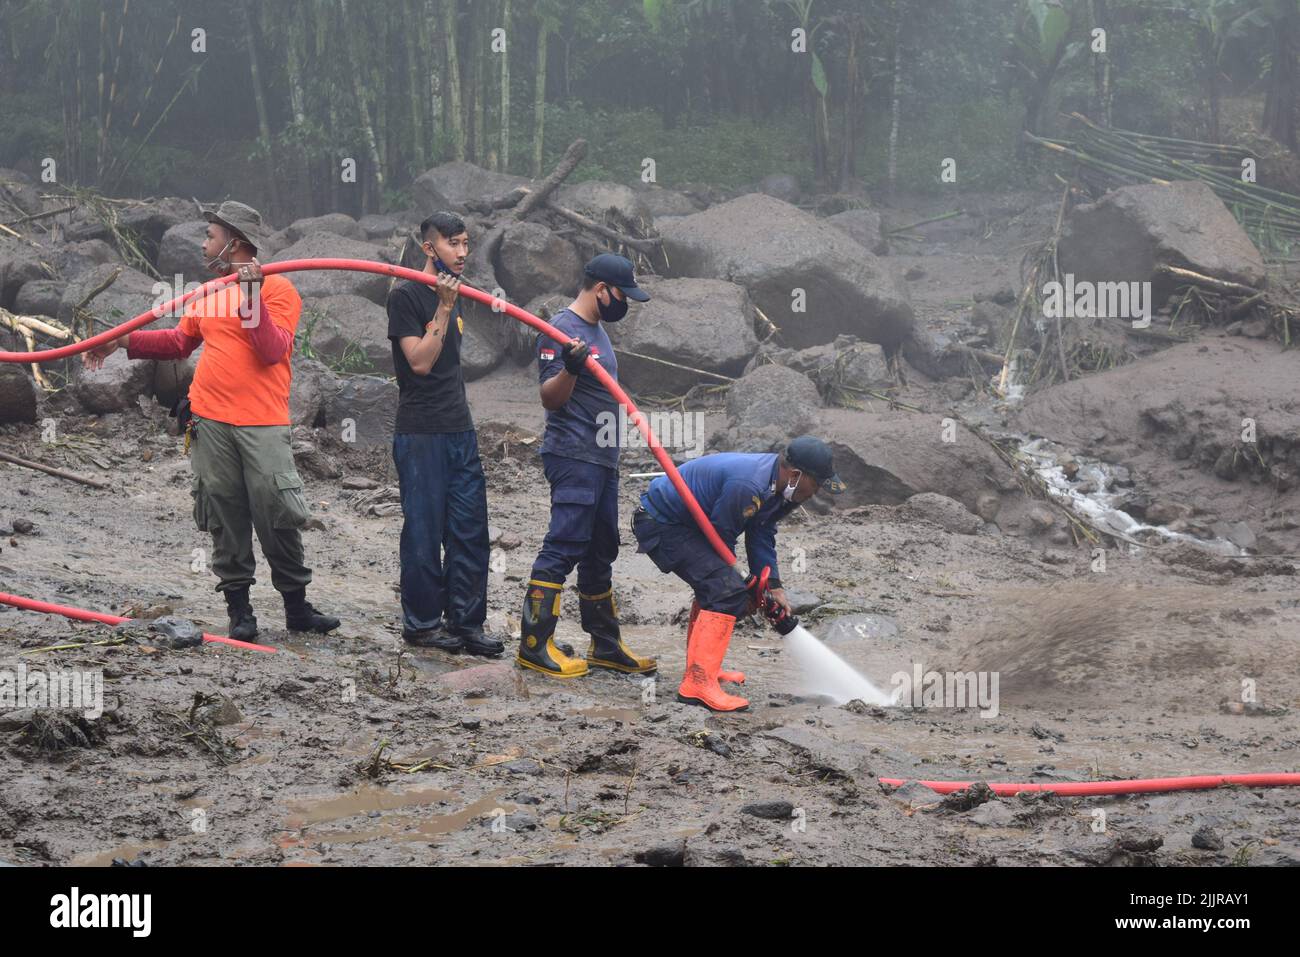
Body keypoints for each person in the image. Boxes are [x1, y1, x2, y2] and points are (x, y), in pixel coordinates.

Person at [83, 201, 338, 642]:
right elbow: (180, 342)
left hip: (262, 422)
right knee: (223, 510)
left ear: (234, 243)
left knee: (276, 511)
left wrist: (253, 296)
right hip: (209, 420)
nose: (203, 244)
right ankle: (240, 611)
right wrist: (120, 341)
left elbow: (272, 350)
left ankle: (297, 608)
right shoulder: (210, 291)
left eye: (211, 236)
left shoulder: (278, 290)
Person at [516, 253, 656, 678]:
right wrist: (571, 370)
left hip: (601, 458)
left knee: (600, 549)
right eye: (622, 295)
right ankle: (534, 646)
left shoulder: (596, 330)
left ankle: (606, 646)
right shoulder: (560, 329)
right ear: (601, 290)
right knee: (565, 543)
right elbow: (550, 398)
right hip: (573, 454)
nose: (624, 304)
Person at [631, 436, 845, 711]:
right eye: (815, 484)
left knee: (724, 589)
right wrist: (744, 585)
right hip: (662, 522)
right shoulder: (748, 484)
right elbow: (721, 538)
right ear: (795, 474)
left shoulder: (785, 488)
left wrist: (773, 586)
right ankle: (697, 684)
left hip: (695, 525)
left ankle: (702, 670)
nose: (815, 492)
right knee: (726, 591)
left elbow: (762, 530)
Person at [386, 211, 503, 656]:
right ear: (429, 248)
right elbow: (419, 361)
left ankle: (467, 624)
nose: (462, 252)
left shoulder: (450, 293)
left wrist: (449, 303)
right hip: (421, 433)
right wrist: (444, 307)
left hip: (459, 429)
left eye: (466, 243)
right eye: (452, 243)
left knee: (470, 530)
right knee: (423, 531)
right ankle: (422, 624)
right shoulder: (407, 296)